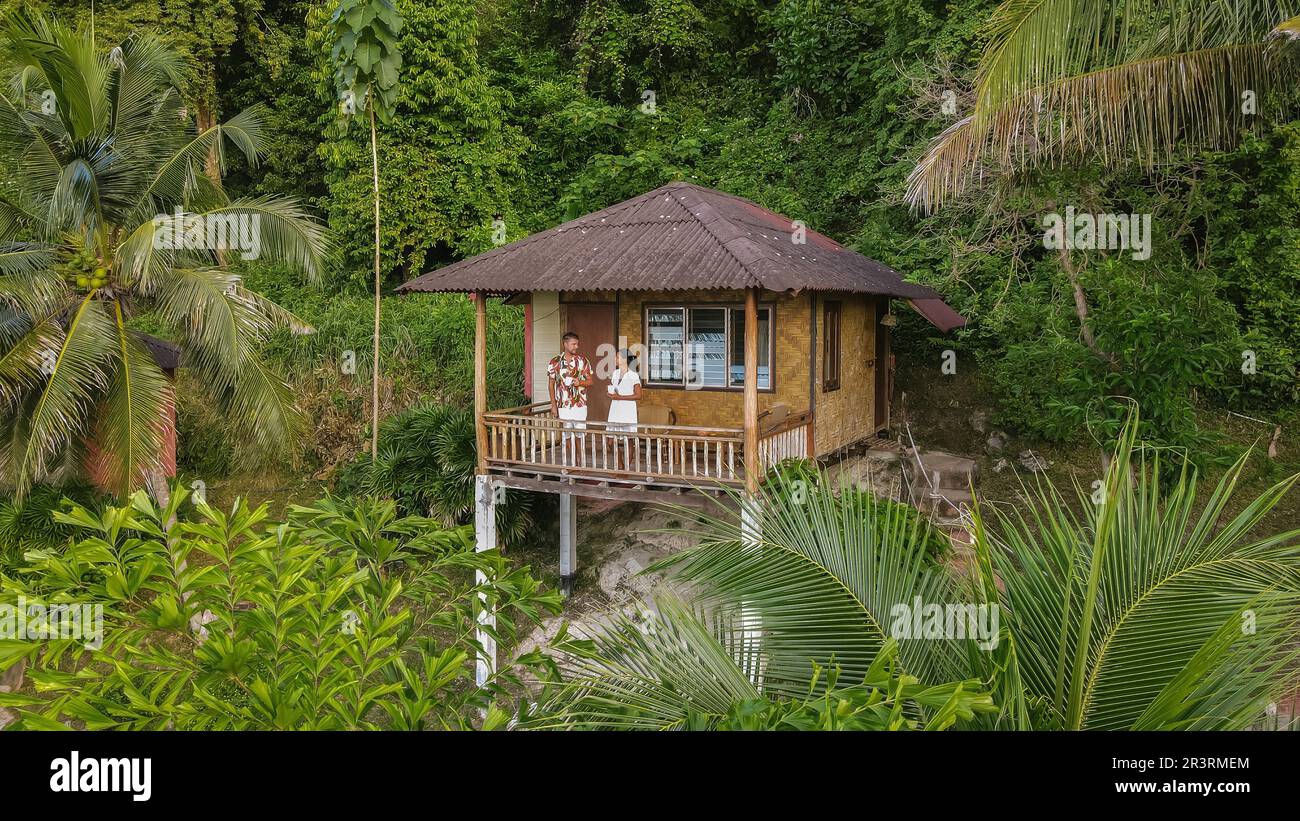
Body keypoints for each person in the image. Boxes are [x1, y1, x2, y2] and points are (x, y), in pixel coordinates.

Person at [547, 331, 594, 464]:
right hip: (563, 405)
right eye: (573, 344)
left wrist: (580, 382)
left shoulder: (583, 361)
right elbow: (551, 386)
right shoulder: (554, 362)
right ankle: (572, 462)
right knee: (566, 435)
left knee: (580, 435)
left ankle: (581, 463)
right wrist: (554, 405)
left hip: (579, 405)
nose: (576, 347)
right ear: (565, 344)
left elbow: (591, 381)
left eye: (577, 344)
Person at [606, 348, 642, 470]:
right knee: (610, 442)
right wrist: (612, 394)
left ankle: (626, 468)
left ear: (625, 359)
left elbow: (639, 395)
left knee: (629, 441)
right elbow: (616, 389)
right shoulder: (615, 373)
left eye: (617, 357)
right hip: (615, 409)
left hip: (628, 410)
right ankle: (620, 463)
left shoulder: (633, 375)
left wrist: (619, 396)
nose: (615, 359)